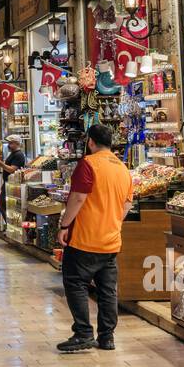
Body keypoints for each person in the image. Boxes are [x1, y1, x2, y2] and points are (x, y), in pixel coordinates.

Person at [54, 125, 133, 353]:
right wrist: (113, 222)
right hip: (111, 240)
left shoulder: (88, 164)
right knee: (107, 290)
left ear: (90, 142)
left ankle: (83, 333)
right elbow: (127, 204)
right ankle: (107, 337)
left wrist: (65, 225)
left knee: (75, 283)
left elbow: (78, 198)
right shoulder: (123, 168)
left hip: (85, 239)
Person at [0, 135, 27, 218]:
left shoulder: (19, 155)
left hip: (12, 185)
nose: (8, 145)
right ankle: (9, 224)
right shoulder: (13, 154)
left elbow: (12, 169)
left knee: (3, 205)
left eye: (11, 143)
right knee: (3, 205)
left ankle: (9, 224)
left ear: (17, 143)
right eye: (8, 143)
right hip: (8, 184)